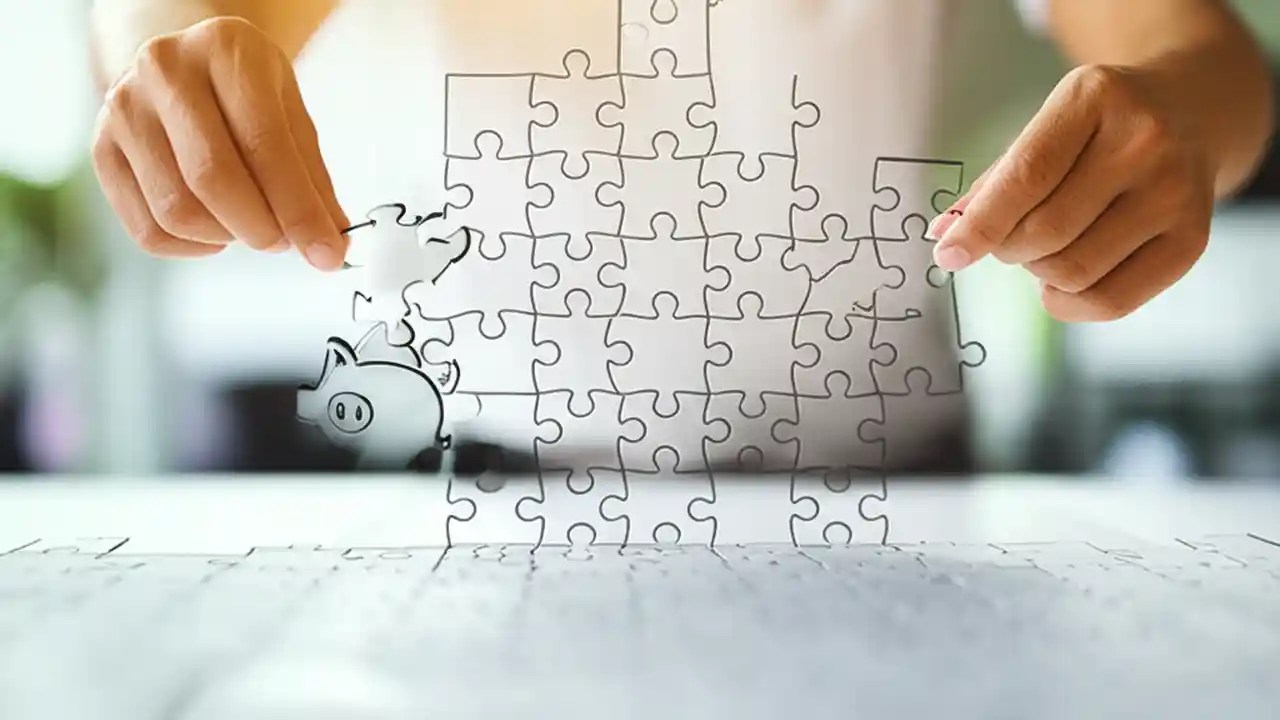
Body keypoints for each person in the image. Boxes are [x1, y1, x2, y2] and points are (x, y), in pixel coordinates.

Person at [87, 0, 1274, 473]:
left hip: (899, 492)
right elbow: (170, 23)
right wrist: (164, 58)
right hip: (484, 500)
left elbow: (1206, 52)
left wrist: (1174, 116)